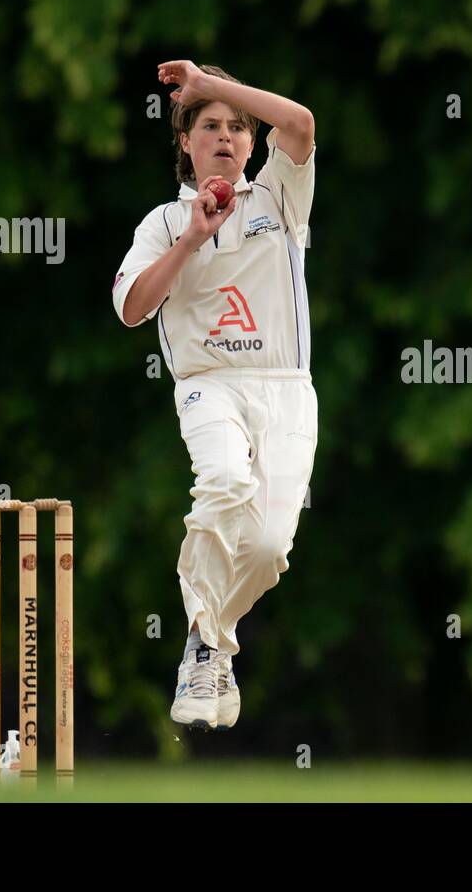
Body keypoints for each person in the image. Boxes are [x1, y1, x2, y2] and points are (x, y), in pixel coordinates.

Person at [111, 61, 318, 730]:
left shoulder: (279, 201)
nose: (225, 136)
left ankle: (213, 640)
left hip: (286, 392)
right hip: (209, 388)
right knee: (224, 482)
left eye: (236, 128)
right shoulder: (165, 224)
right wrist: (194, 239)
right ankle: (203, 644)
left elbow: (302, 123)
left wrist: (211, 85)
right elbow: (133, 309)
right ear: (186, 144)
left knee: (265, 548)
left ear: (252, 145)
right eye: (209, 126)